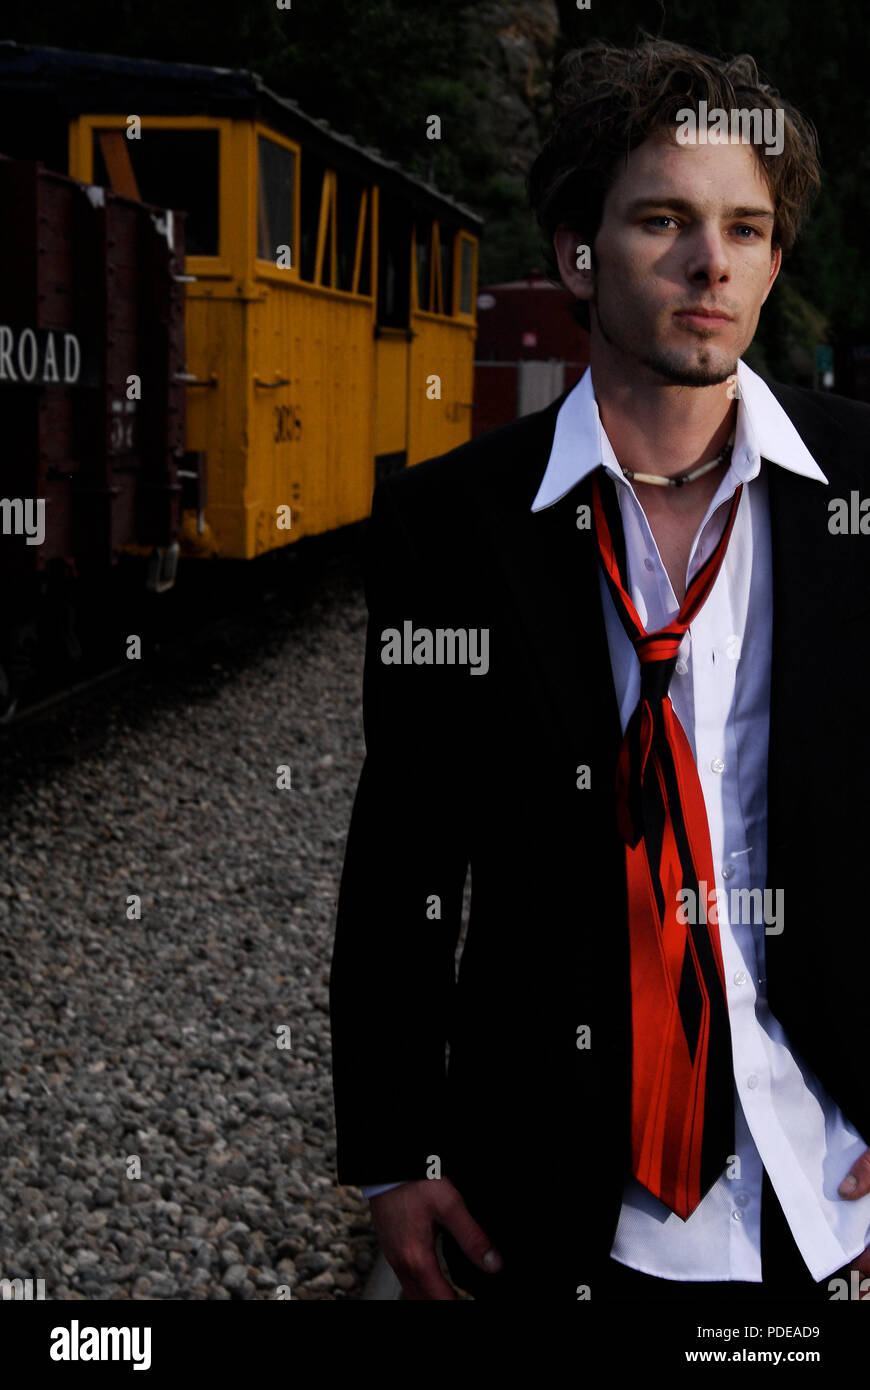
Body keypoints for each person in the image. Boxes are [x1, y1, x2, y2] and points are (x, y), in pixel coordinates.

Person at [329, 37, 870, 1302]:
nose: (710, 263)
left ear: (775, 257)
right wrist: (388, 1153)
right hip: (561, 1192)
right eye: (665, 221)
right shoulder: (454, 526)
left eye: (747, 228)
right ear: (578, 248)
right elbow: (406, 852)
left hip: (822, 1166)